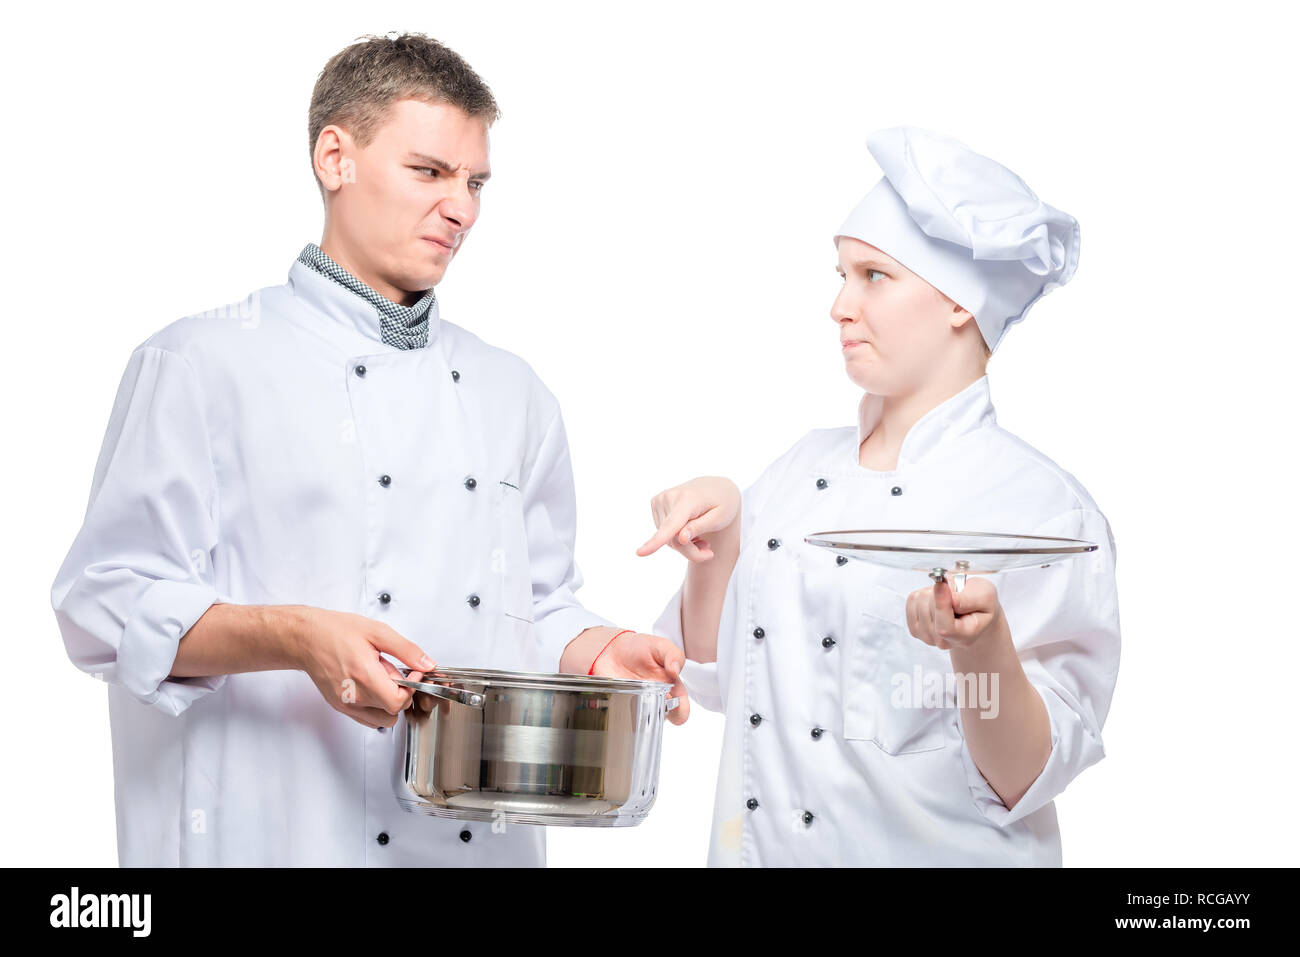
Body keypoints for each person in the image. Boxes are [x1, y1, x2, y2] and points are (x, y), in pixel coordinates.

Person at [51, 32, 687, 868]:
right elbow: (102, 604)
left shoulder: (512, 391)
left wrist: (595, 648)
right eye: (429, 172)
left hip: (469, 844)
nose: (461, 208)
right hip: (275, 831)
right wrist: (294, 635)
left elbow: (531, 604)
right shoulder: (201, 363)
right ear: (334, 157)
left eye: (476, 182)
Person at [638, 126, 1119, 866]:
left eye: (872, 276)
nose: (839, 304)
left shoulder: (1042, 511)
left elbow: (1028, 772)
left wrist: (979, 647)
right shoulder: (800, 469)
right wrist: (719, 542)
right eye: (840, 274)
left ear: (959, 303)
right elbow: (715, 676)